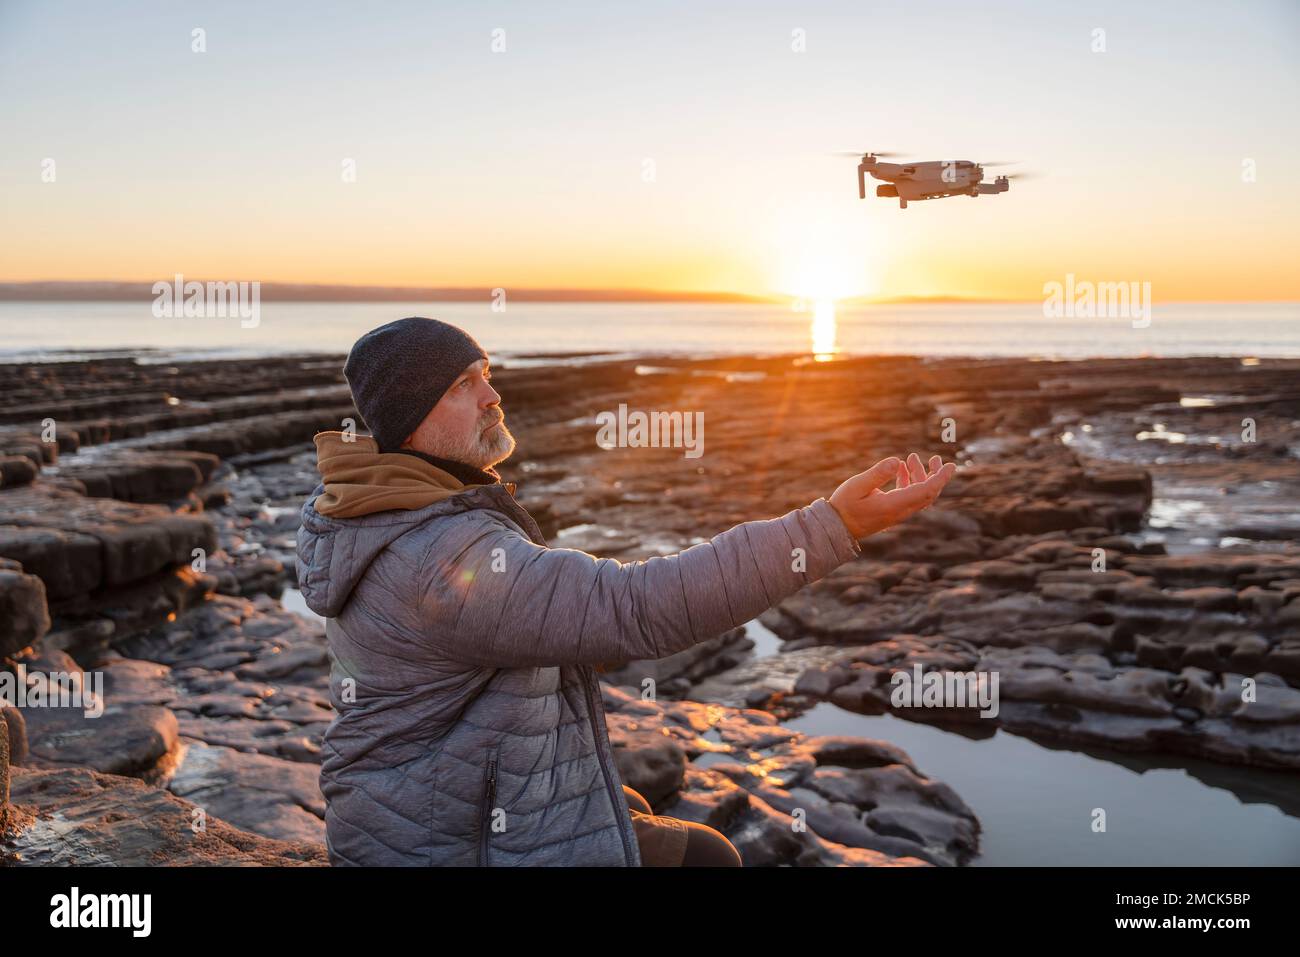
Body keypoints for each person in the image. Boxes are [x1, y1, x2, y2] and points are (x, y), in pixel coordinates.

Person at [295, 316, 957, 866]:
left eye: (487, 375)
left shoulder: (397, 514)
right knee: (712, 860)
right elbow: (635, 606)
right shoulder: (438, 555)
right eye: (464, 385)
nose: (492, 396)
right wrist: (829, 526)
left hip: (454, 806)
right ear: (409, 422)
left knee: (652, 819)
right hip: (448, 844)